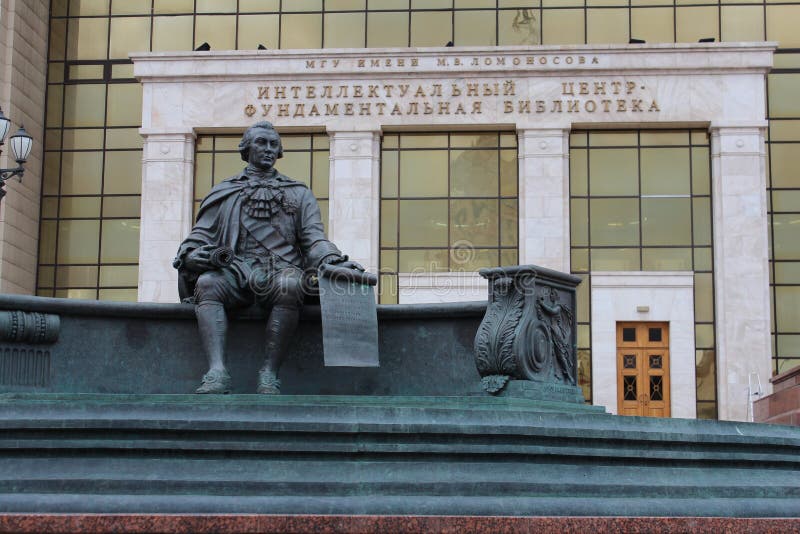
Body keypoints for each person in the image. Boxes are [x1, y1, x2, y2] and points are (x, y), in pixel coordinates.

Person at [174, 121, 360, 394]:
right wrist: (192, 257)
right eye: (262, 142)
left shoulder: (299, 193)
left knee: (291, 285)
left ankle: (269, 373)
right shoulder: (224, 192)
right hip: (235, 273)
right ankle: (216, 371)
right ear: (246, 148)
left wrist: (331, 258)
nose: (269, 149)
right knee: (207, 284)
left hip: (279, 271)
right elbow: (199, 237)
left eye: (274, 145)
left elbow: (314, 239)